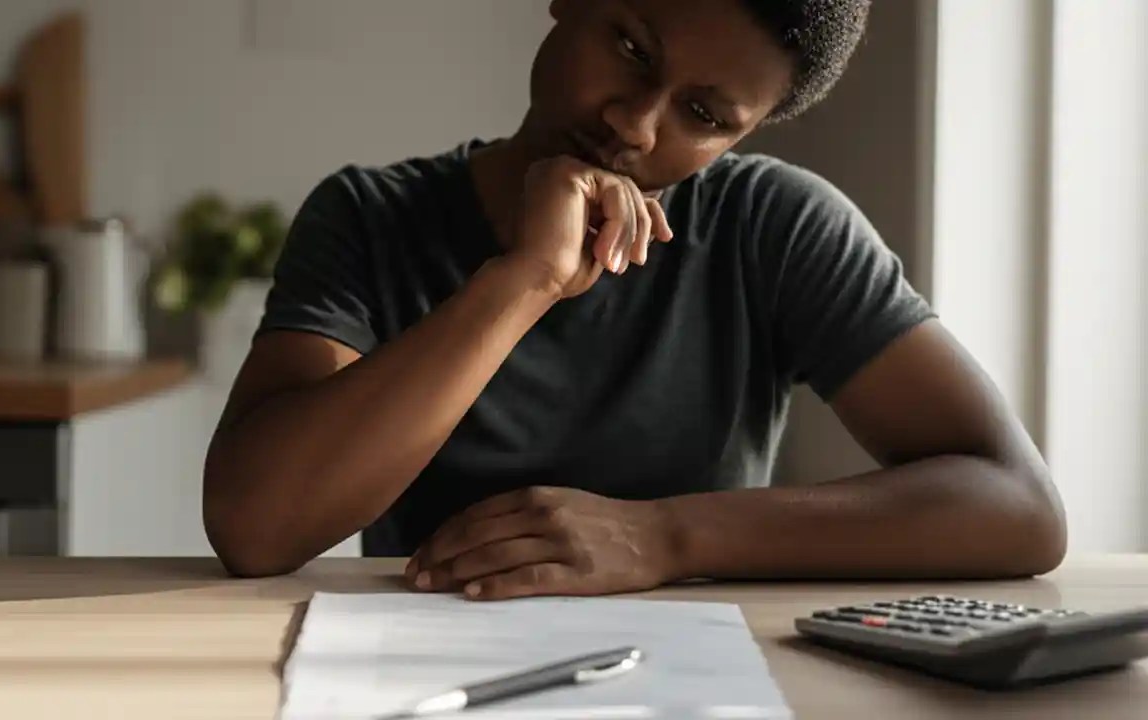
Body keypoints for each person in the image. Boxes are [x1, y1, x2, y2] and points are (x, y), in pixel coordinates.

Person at [202, 0, 1066, 598]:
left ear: (747, 132)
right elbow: (259, 527)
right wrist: (524, 283)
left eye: (703, 114)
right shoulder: (371, 218)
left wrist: (668, 538)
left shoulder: (773, 227)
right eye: (630, 49)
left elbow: (1018, 508)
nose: (636, 125)